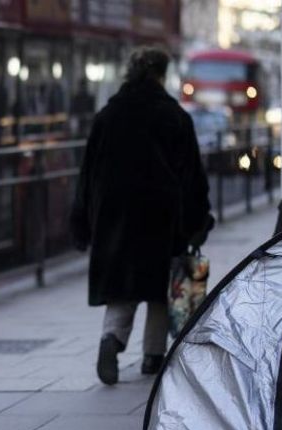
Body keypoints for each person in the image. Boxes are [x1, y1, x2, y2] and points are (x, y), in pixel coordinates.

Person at [71, 47, 213, 385]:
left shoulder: (108, 115)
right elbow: (192, 176)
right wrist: (199, 220)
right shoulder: (174, 116)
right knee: (161, 287)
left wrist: (84, 220)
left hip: (115, 215)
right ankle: (153, 355)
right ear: (162, 75)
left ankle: (111, 340)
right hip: (162, 214)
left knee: (124, 285)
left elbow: (87, 173)